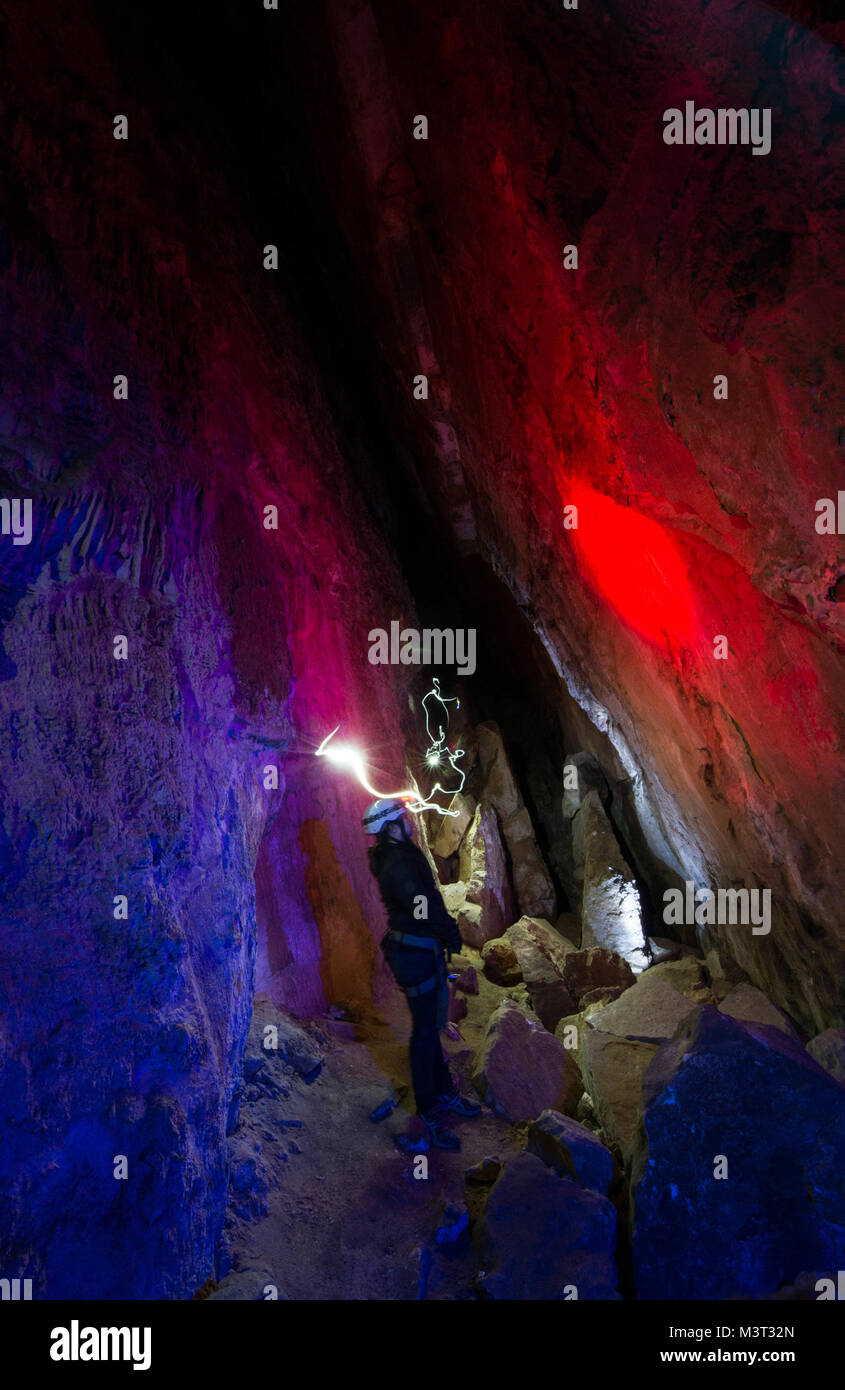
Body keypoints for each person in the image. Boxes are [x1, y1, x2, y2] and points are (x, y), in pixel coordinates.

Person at [364, 797, 481, 1151]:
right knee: (425, 1032)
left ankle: (443, 1092)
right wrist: (448, 931)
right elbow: (421, 906)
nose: (411, 820)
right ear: (392, 826)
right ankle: (428, 1109)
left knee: (430, 1026)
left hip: (417, 949)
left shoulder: (399, 855)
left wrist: (441, 933)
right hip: (413, 952)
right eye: (403, 817)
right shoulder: (396, 863)